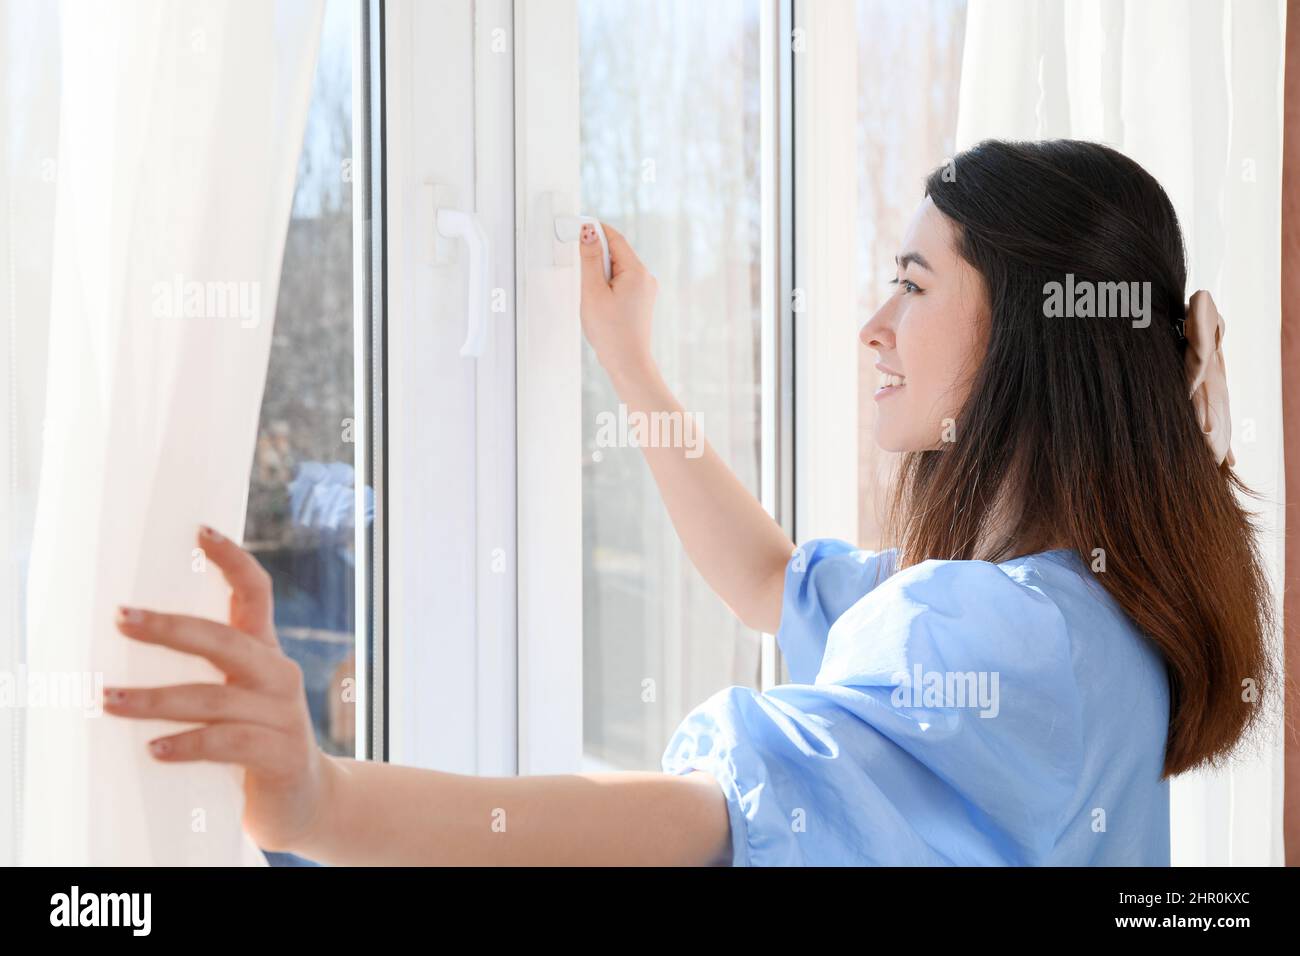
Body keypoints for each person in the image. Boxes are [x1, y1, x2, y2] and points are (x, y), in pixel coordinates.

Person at [105, 139, 1274, 866]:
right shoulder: (1091, 605)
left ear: (1030, 340)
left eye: (912, 286)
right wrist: (630, 363)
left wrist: (325, 800)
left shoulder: (992, 636)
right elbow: (769, 577)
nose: (872, 324)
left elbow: (706, 823)